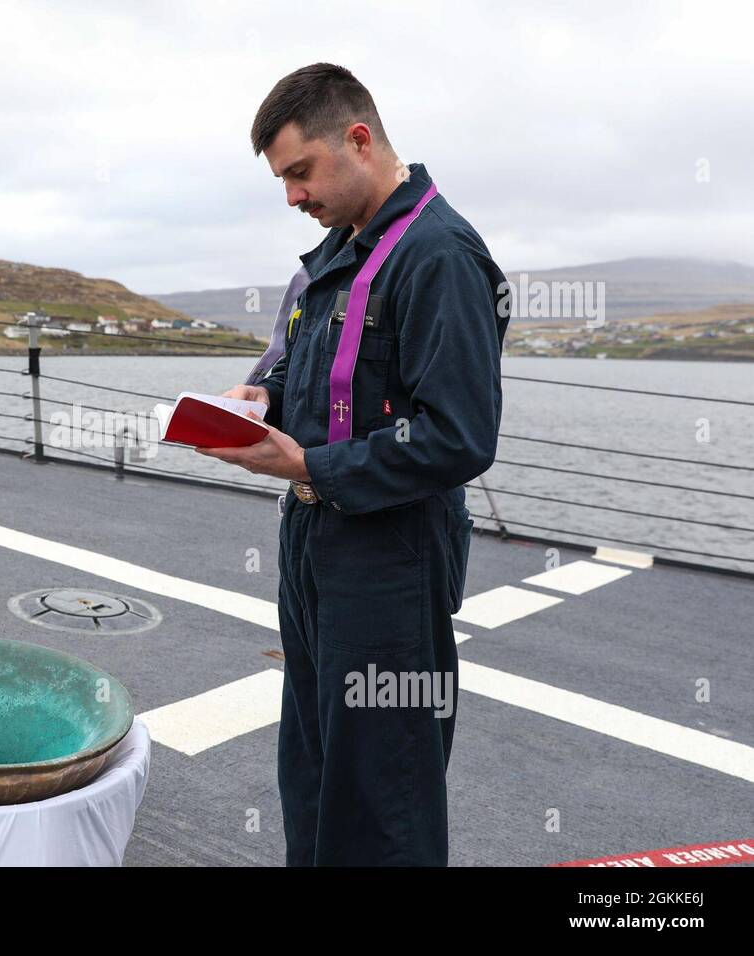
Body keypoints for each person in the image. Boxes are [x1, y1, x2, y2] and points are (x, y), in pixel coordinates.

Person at [200, 63, 509, 865]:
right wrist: (256, 398)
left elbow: (460, 436)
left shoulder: (439, 255)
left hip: (390, 562)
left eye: (300, 172)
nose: (292, 196)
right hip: (313, 547)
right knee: (313, 772)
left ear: (360, 139)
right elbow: (298, 367)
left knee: (383, 796)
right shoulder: (333, 257)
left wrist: (312, 466)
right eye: (282, 179)